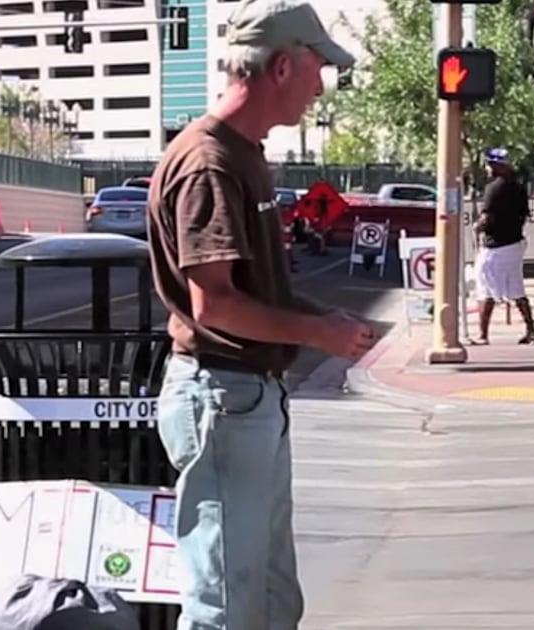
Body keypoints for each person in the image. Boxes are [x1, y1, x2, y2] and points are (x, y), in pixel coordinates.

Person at [145, 1, 376, 627]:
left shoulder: (241, 154)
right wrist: (317, 330)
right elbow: (213, 304)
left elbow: (253, 292)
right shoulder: (209, 163)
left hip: (247, 396)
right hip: (222, 394)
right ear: (280, 67)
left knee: (270, 597)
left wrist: (321, 320)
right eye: (317, 67)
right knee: (226, 600)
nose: (320, 86)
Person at [471, 148, 534, 345]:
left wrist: (477, 227)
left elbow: (487, 218)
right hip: (515, 244)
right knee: (517, 289)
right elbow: (523, 215)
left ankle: (483, 335)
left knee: (485, 288)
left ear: (498, 167)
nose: (487, 169)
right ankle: (531, 330)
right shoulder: (518, 188)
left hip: (495, 247)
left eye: (490, 165)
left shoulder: (493, 189)